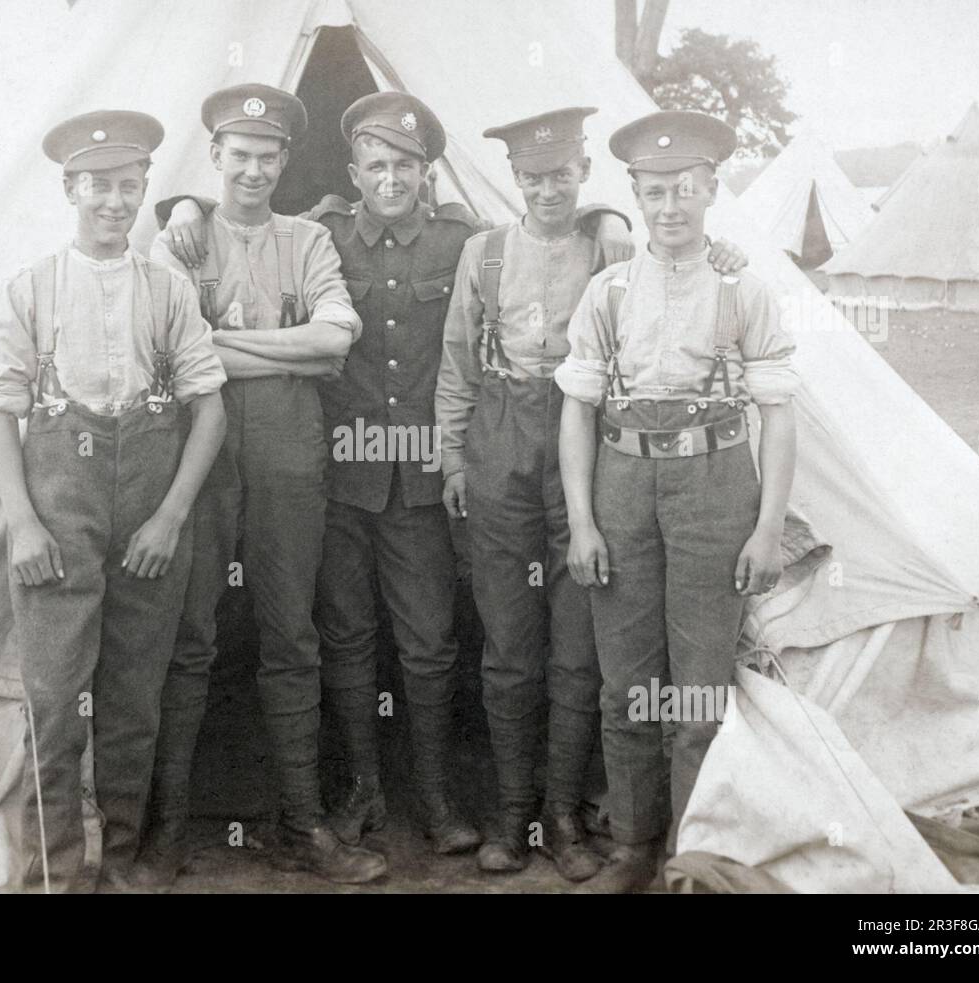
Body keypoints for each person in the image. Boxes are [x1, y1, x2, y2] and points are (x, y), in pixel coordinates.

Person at [157, 92, 637, 864]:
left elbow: (546, 225)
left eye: (405, 166)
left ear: (428, 172)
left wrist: (609, 215)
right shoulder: (323, 229)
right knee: (343, 634)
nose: (391, 179)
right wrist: (178, 201)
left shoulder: (465, 240)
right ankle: (363, 789)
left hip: (418, 478)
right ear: (353, 172)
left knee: (428, 643)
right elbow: (239, 210)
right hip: (334, 473)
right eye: (376, 165)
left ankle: (438, 792)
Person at [436, 107, 749, 881]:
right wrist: (450, 460)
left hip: (590, 445)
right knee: (509, 647)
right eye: (535, 177)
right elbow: (456, 366)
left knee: (583, 652)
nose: (549, 189)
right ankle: (513, 813)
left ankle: (566, 816)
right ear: (516, 179)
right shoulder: (484, 255)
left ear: (585, 175)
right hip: (502, 440)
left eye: (563, 175)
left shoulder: (610, 245)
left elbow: (679, 269)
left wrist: (725, 254)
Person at [0, 109, 227, 893]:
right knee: (53, 707)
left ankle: (119, 864)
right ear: (69, 188)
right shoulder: (32, 288)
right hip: (58, 518)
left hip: (150, 519)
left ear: (144, 187)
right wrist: (21, 522)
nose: (114, 203)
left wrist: (170, 517)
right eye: (98, 187)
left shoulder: (168, 288)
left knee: (132, 705)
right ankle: (51, 873)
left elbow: (209, 408)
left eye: (129, 186)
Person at [144, 83, 386, 885]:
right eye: (238, 155)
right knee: (190, 635)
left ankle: (300, 824)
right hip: (200, 446)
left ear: (286, 160)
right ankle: (166, 827)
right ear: (212, 157)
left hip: (289, 443)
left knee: (292, 633)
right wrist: (277, 347)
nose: (252, 170)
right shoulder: (180, 238)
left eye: (267, 156)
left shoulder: (307, 240)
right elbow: (164, 351)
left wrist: (218, 341)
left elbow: (335, 344)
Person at [556, 110, 799, 892]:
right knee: (626, 687)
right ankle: (632, 846)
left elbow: (779, 414)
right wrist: (584, 519)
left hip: (715, 487)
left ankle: (685, 858)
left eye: (685, 190)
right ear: (634, 193)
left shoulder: (743, 287)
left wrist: (766, 529)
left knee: (698, 695)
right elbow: (577, 409)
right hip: (623, 486)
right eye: (654, 192)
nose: (669, 208)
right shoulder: (608, 290)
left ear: (711, 190)